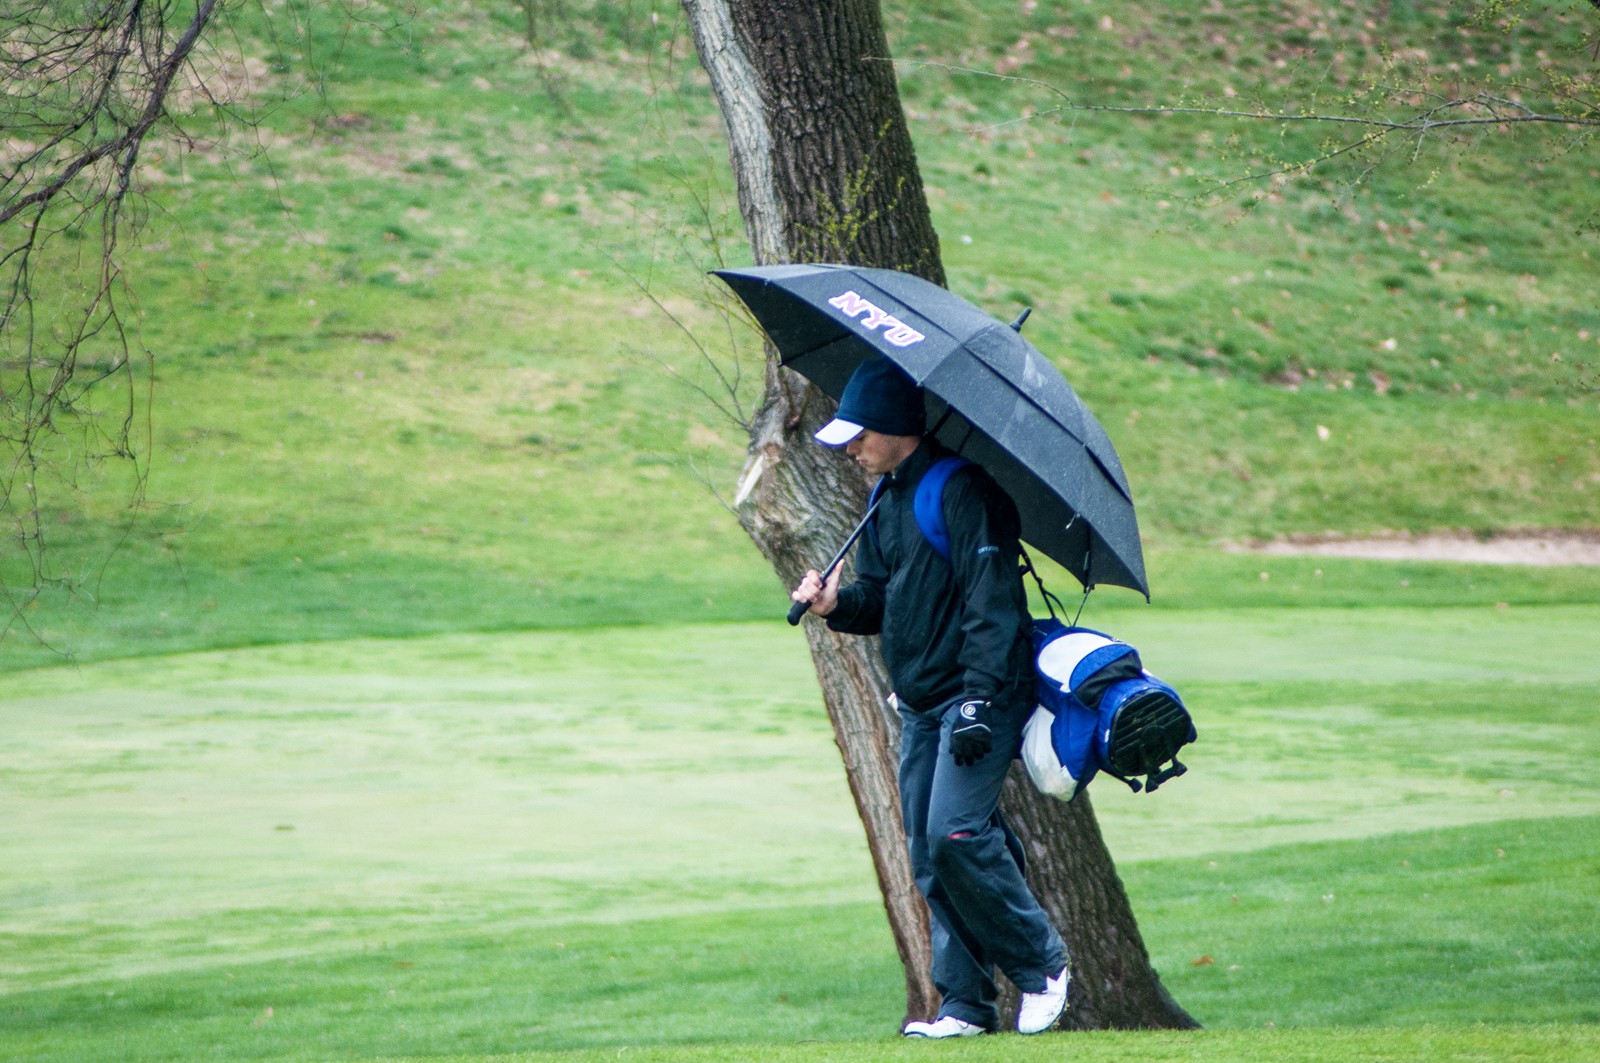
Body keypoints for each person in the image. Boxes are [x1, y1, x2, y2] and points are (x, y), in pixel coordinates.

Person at [791, 357, 1070, 1038]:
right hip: (920, 705)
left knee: (956, 833)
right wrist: (834, 604)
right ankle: (966, 1006)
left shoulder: (962, 491)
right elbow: (879, 600)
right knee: (929, 852)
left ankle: (1043, 967)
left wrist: (979, 701)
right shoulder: (884, 499)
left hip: (978, 697)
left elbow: (993, 607)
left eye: (859, 436)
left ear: (895, 427)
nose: (851, 449)